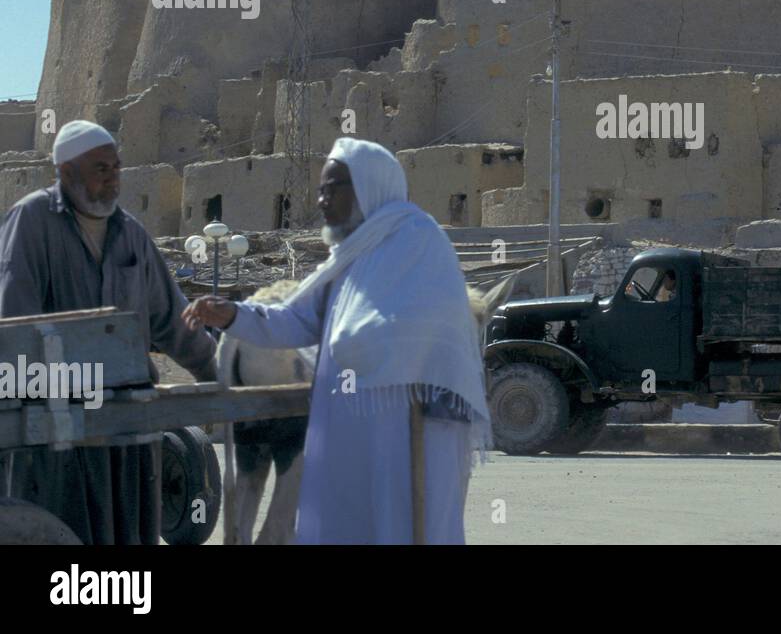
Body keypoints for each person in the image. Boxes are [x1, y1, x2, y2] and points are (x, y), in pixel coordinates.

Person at [183, 137, 491, 544]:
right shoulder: (347, 257)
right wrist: (234, 315)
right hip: (352, 422)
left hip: (417, 424)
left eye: (333, 188)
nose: (322, 200)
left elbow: (433, 323)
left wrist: (363, 342)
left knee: (409, 525)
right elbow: (296, 318)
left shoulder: (418, 238)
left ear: (367, 187)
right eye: (321, 190)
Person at [0, 120, 218, 544]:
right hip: (55, 434)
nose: (114, 176)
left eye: (117, 167)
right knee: (62, 532)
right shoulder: (31, 221)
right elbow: (12, 321)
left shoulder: (131, 235)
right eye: (101, 168)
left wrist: (219, 373)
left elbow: (174, 319)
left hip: (127, 433)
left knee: (127, 535)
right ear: (66, 172)